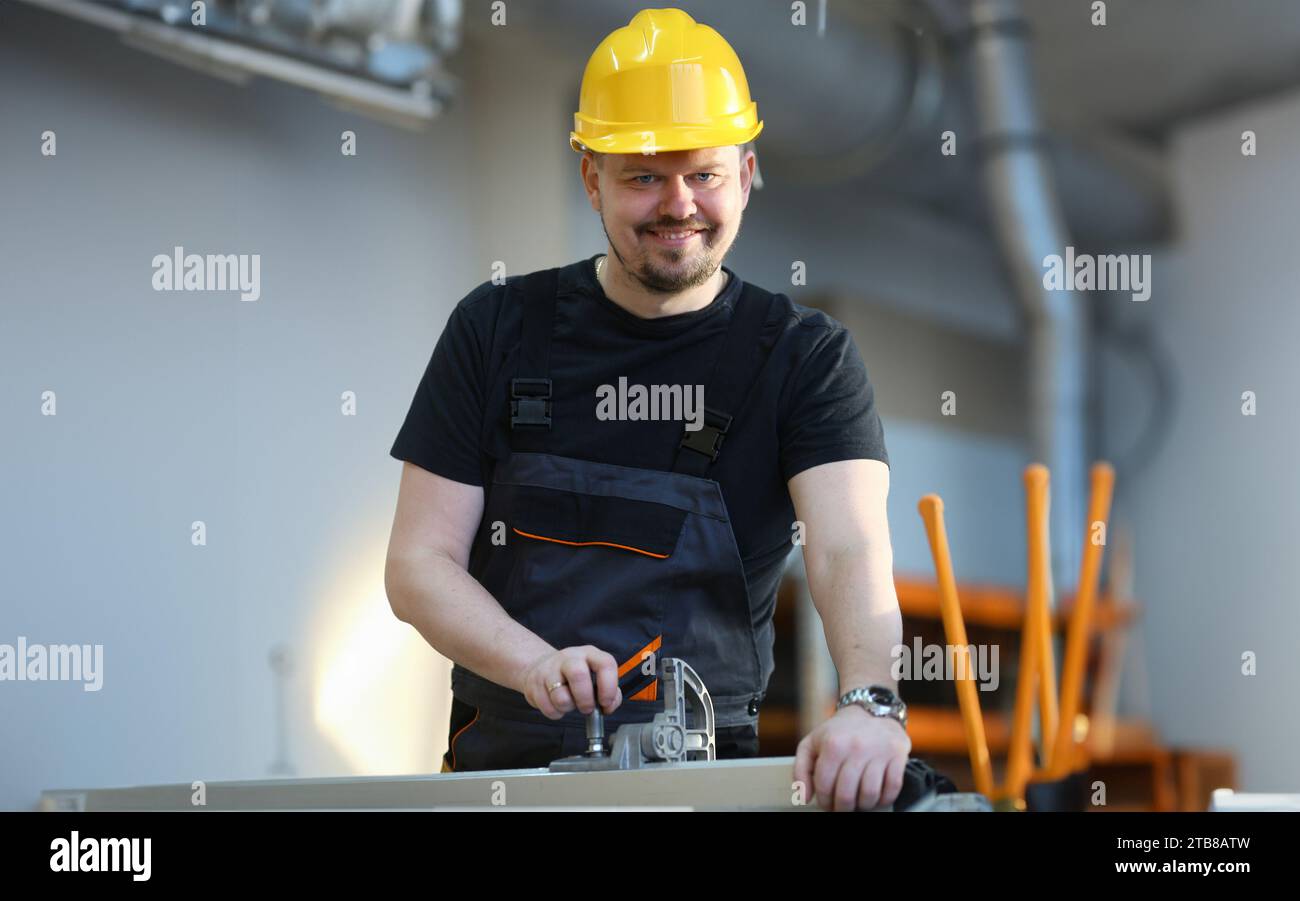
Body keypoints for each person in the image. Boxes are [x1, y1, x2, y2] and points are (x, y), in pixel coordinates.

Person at [385, 7, 910, 811]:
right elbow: (418, 565)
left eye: (702, 173)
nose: (678, 204)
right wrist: (533, 663)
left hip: (707, 787)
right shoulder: (495, 330)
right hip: (504, 786)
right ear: (591, 177)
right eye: (642, 176)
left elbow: (847, 549)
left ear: (745, 171)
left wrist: (870, 701)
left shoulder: (806, 357)